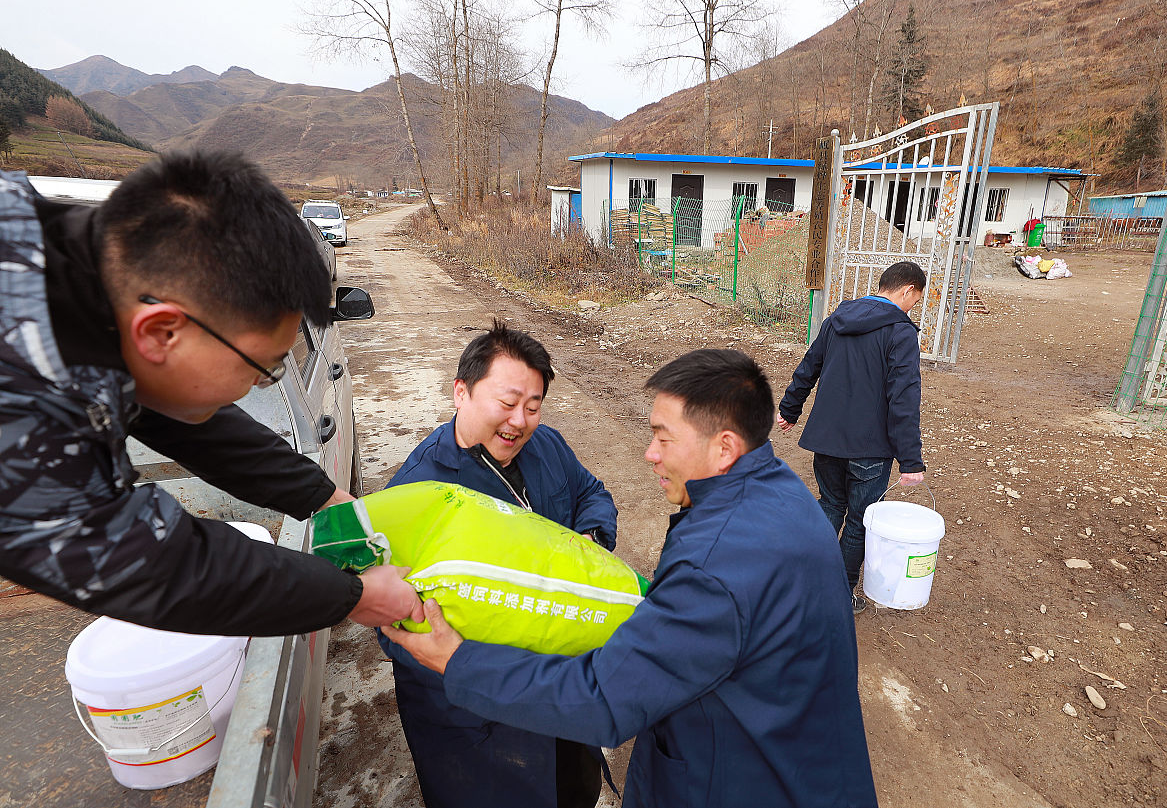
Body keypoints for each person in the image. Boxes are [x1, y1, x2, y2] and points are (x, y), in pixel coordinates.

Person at [383, 349, 878, 808]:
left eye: (664, 438)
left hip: (738, 777)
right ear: (461, 392)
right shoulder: (783, 492)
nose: (650, 454)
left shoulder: (715, 563)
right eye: (508, 402)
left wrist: (461, 661)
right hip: (492, 728)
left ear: (725, 447)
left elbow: (605, 698)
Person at [0, 152, 422, 636]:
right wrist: (356, 597)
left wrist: (324, 499)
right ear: (161, 332)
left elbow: (186, 421)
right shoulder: (18, 383)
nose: (257, 383)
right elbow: (144, 560)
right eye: (264, 367)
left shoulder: (69, 270)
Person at [377, 320, 618, 808]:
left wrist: (589, 540)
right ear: (460, 392)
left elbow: (590, 491)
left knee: (574, 790)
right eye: (507, 404)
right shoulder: (418, 493)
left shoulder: (546, 446)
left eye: (533, 407)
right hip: (475, 717)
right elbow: (389, 622)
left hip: (560, 682)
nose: (520, 421)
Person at [776, 260, 928, 614]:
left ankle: (811, 583)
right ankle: (838, 595)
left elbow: (809, 365)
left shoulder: (837, 319)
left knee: (829, 506)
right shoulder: (900, 332)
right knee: (860, 520)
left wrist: (789, 408)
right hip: (870, 448)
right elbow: (904, 397)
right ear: (907, 290)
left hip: (826, 439)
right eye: (915, 300)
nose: (912, 307)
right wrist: (911, 459)